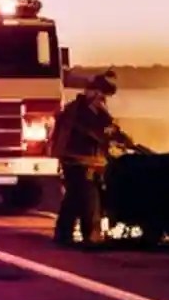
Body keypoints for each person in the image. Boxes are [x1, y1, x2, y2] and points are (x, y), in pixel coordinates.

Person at [49, 69, 132, 247]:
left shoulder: (96, 112)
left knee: (74, 198)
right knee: (88, 198)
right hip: (77, 162)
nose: (103, 99)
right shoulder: (77, 112)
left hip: (88, 162)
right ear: (92, 92)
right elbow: (95, 132)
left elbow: (110, 129)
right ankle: (89, 236)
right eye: (101, 94)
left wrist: (123, 139)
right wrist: (112, 138)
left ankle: (64, 235)